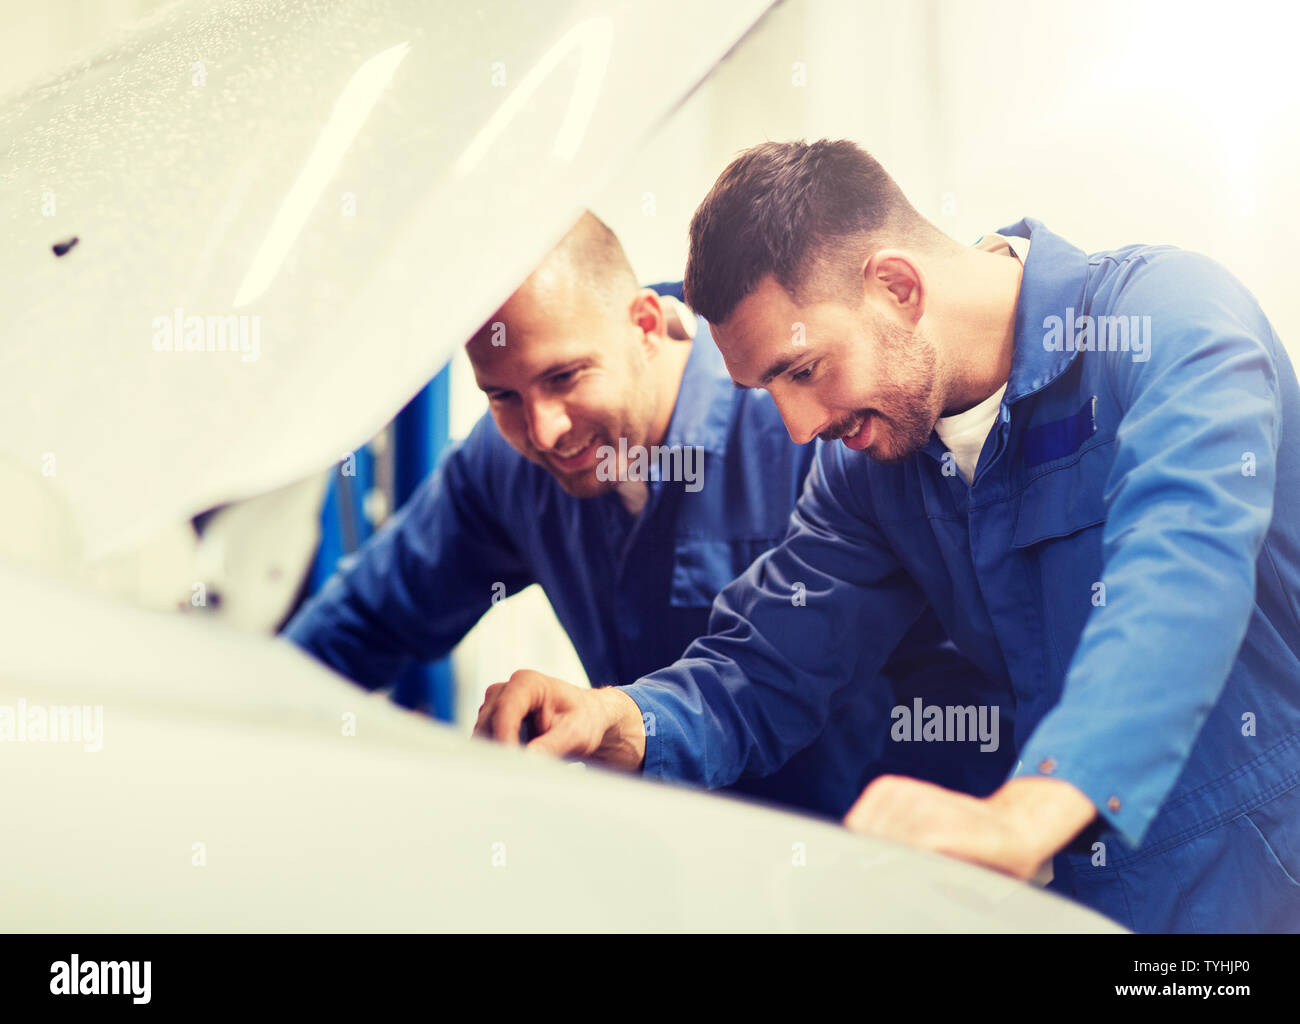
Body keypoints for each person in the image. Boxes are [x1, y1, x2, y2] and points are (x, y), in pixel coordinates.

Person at [475, 141, 1300, 932]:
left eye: (803, 371)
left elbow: (1181, 570)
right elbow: (767, 663)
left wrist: (1032, 809)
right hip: (1095, 905)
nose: (798, 428)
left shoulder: (1167, 320)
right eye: (768, 390)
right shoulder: (872, 472)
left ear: (897, 287)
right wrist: (618, 719)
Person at [284, 211, 1005, 819]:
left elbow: (955, 681)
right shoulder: (505, 465)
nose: (544, 430)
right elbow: (363, 623)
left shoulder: (812, 427)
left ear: (646, 325)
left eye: (566, 376)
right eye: (502, 395)